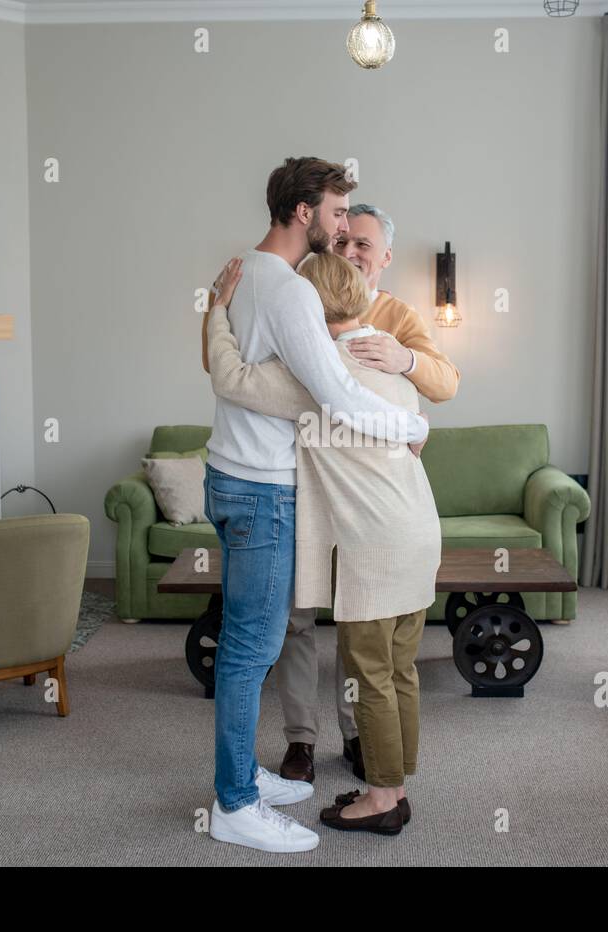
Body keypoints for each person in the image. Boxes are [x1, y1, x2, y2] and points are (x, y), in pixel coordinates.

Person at [202, 157, 428, 854]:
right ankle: (237, 802)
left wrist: (213, 311)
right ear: (305, 212)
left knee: (261, 648)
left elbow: (227, 372)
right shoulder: (302, 304)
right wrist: (414, 426)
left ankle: (260, 780)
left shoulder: (244, 272)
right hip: (269, 489)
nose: (343, 227)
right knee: (258, 652)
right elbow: (335, 393)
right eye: (336, 214)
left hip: (236, 476)